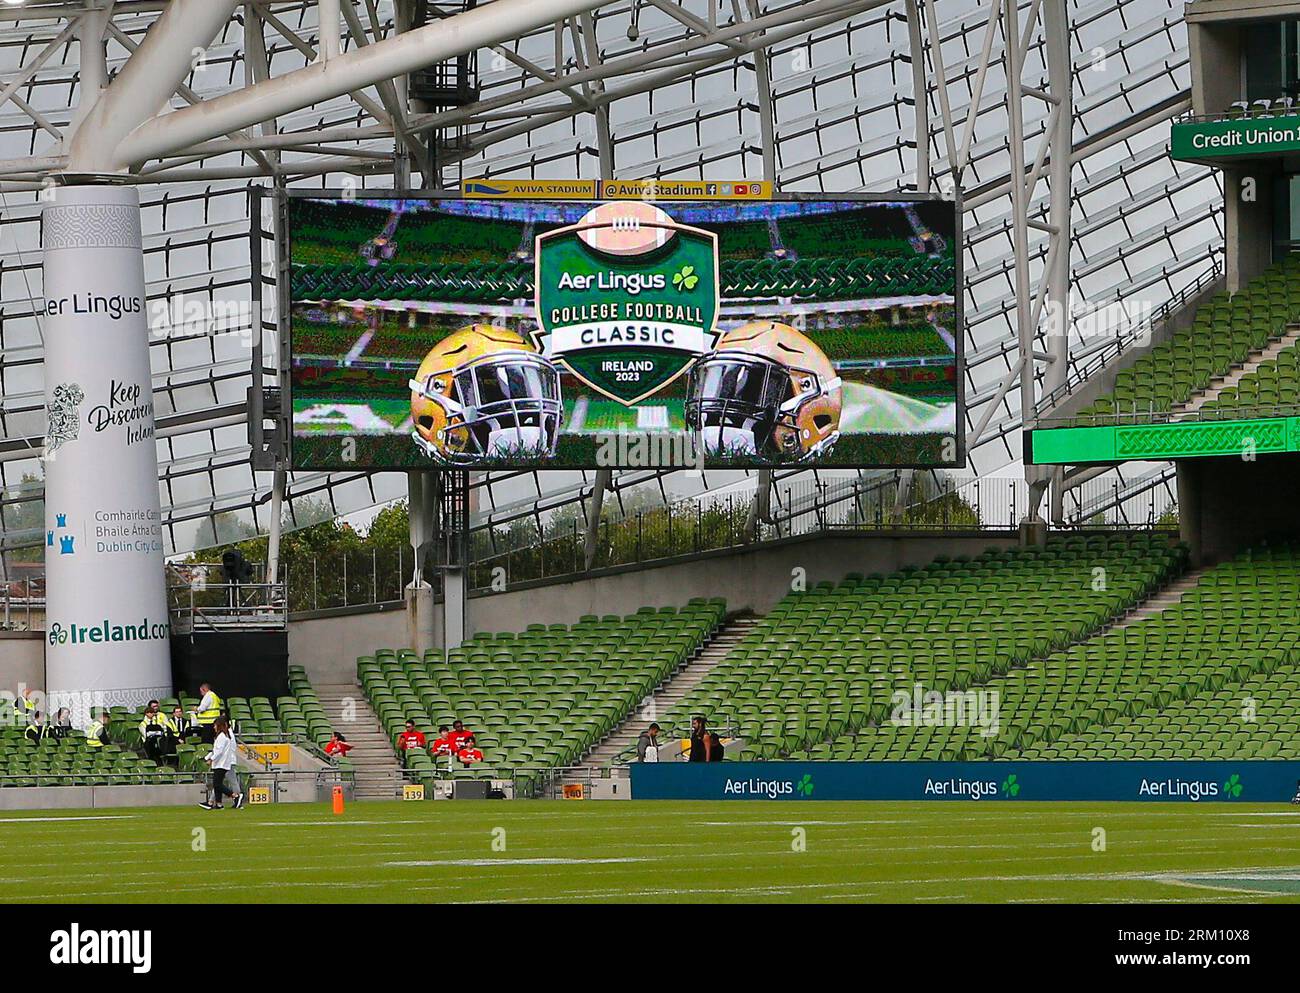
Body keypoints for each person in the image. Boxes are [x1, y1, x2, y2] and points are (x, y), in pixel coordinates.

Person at [200, 716, 245, 810]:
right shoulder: (224, 735)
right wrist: (207, 757)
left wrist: (211, 759)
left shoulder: (222, 737)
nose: (214, 727)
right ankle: (218, 803)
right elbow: (216, 750)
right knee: (218, 783)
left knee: (218, 784)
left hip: (222, 763)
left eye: (215, 725)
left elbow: (218, 751)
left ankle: (234, 796)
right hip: (222, 762)